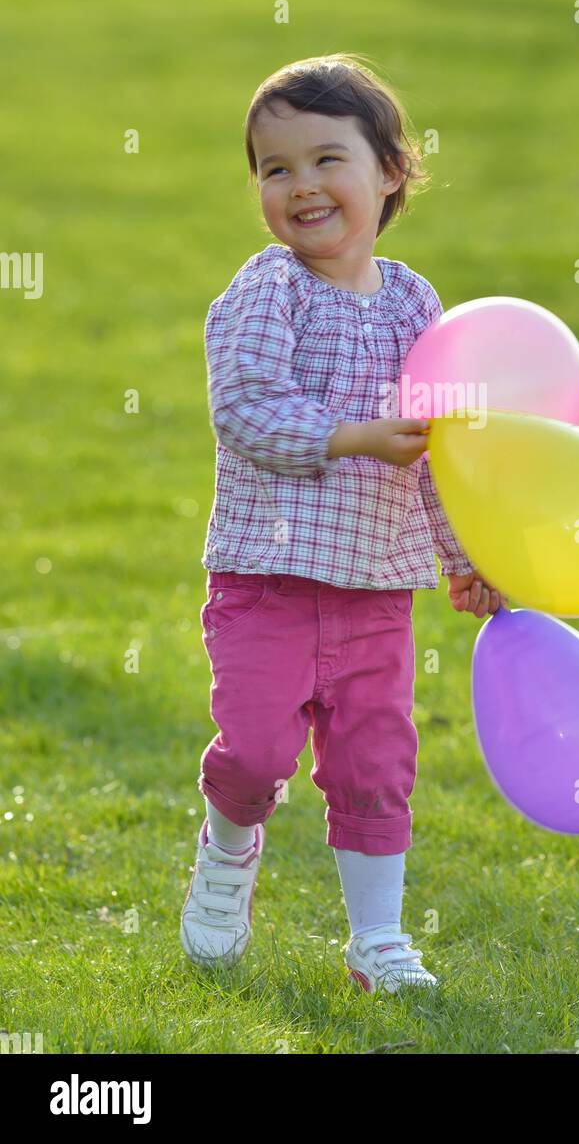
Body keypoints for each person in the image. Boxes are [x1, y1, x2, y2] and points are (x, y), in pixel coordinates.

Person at [181, 52, 506, 994]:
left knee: (375, 764)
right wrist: (356, 436)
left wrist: (464, 556)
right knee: (255, 749)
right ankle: (229, 846)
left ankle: (378, 940)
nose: (302, 186)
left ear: (390, 173)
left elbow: (444, 449)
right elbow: (245, 410)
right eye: (275, 169)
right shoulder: (266, 291)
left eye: (328, 160)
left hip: (375, 589)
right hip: (265, 581)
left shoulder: (415, 306)